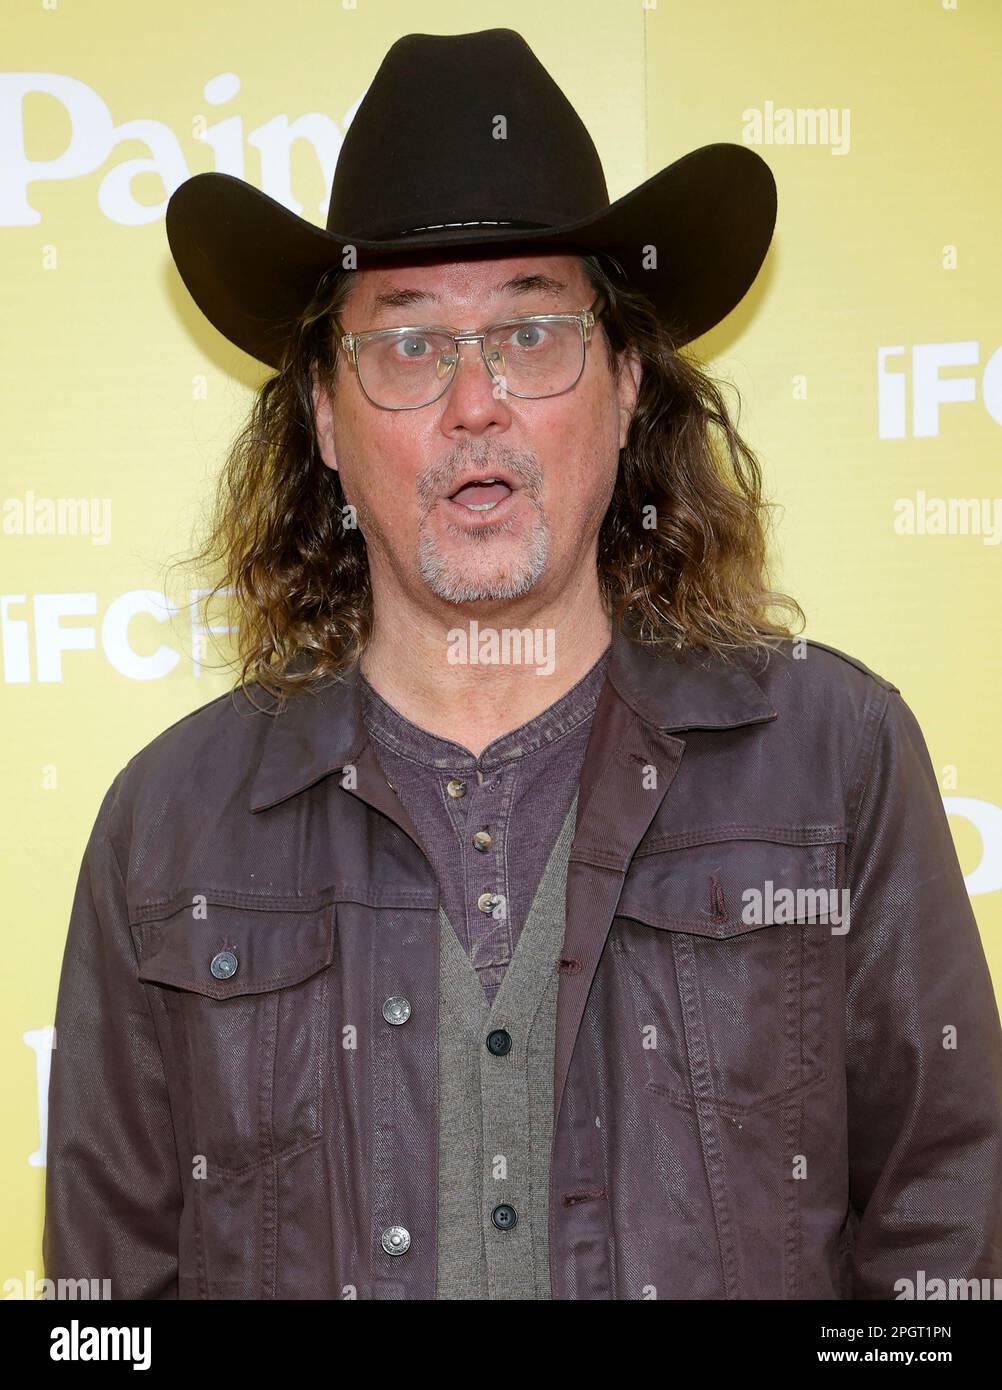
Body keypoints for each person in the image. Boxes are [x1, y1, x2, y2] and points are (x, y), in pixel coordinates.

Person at [43, 27, 1002, 1301]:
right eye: (409, 342)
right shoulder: (166, 832)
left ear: (622, 384)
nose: (475, 401)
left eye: (533, 332)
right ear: (325, 417)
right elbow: (101, 1319)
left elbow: (951, 1250)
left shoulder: (839, 763)